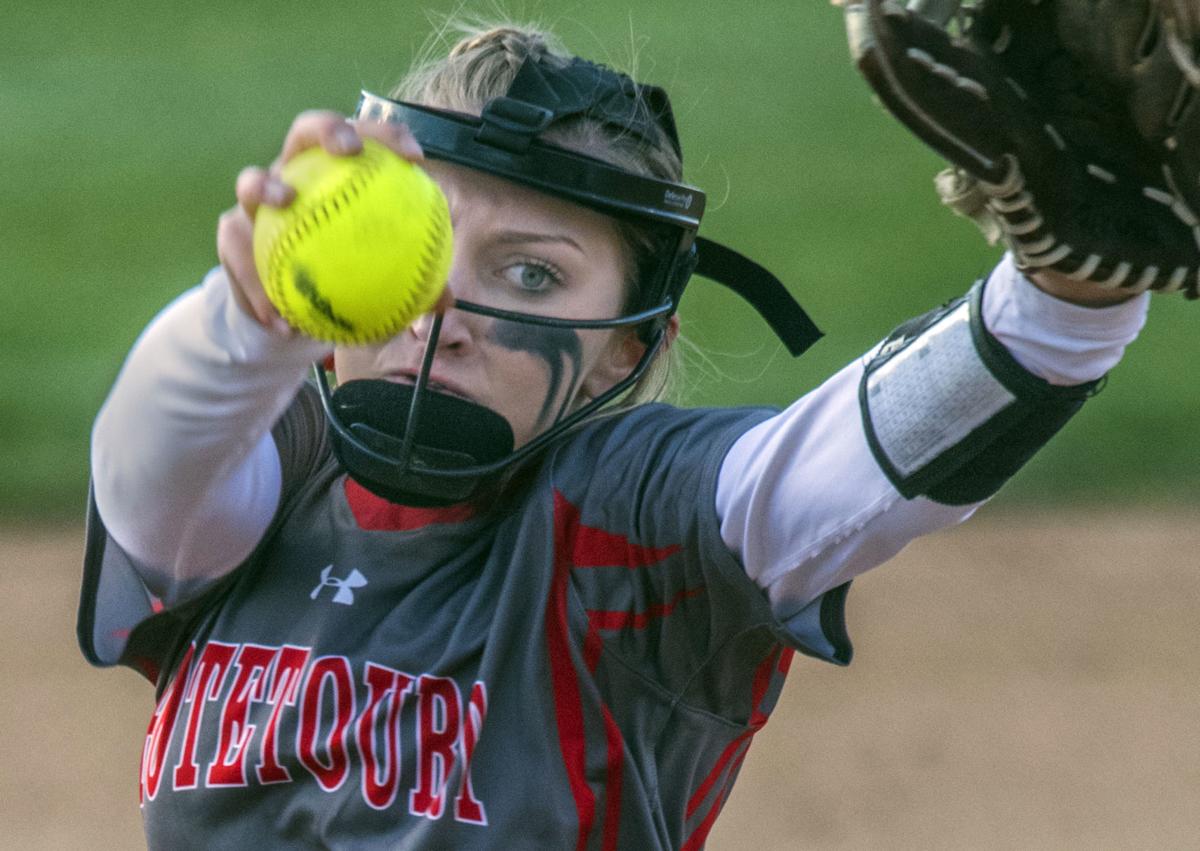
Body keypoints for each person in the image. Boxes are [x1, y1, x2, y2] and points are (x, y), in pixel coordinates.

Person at [79, 22, 1149, 851]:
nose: (443, 314)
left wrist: (1065, 296)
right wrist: (245, 322)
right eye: (417, 249)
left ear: (621, 350)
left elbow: (843, 463)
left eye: (532, 272)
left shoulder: (620, 521)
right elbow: (150, 463)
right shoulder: (271, 473)